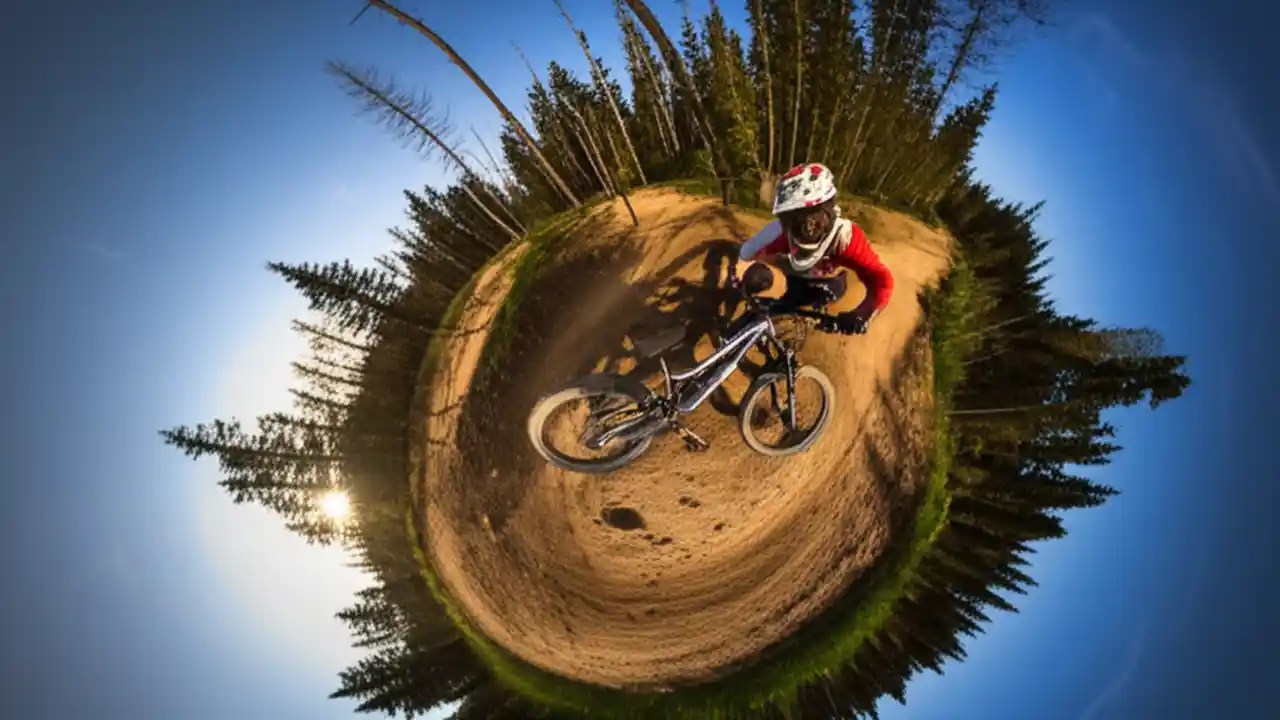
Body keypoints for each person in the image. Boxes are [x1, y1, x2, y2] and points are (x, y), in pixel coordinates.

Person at [733, 162, 894, 335]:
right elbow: (882, 281)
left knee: (787, 299)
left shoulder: (846, 239)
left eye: (812, 220)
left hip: (826, 284)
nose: (806, 229)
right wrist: (862, 314)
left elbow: (881, 280)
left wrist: (862, 314)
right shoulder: (843, 240)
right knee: (768, 291)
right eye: (793, 220)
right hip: (802, 280)